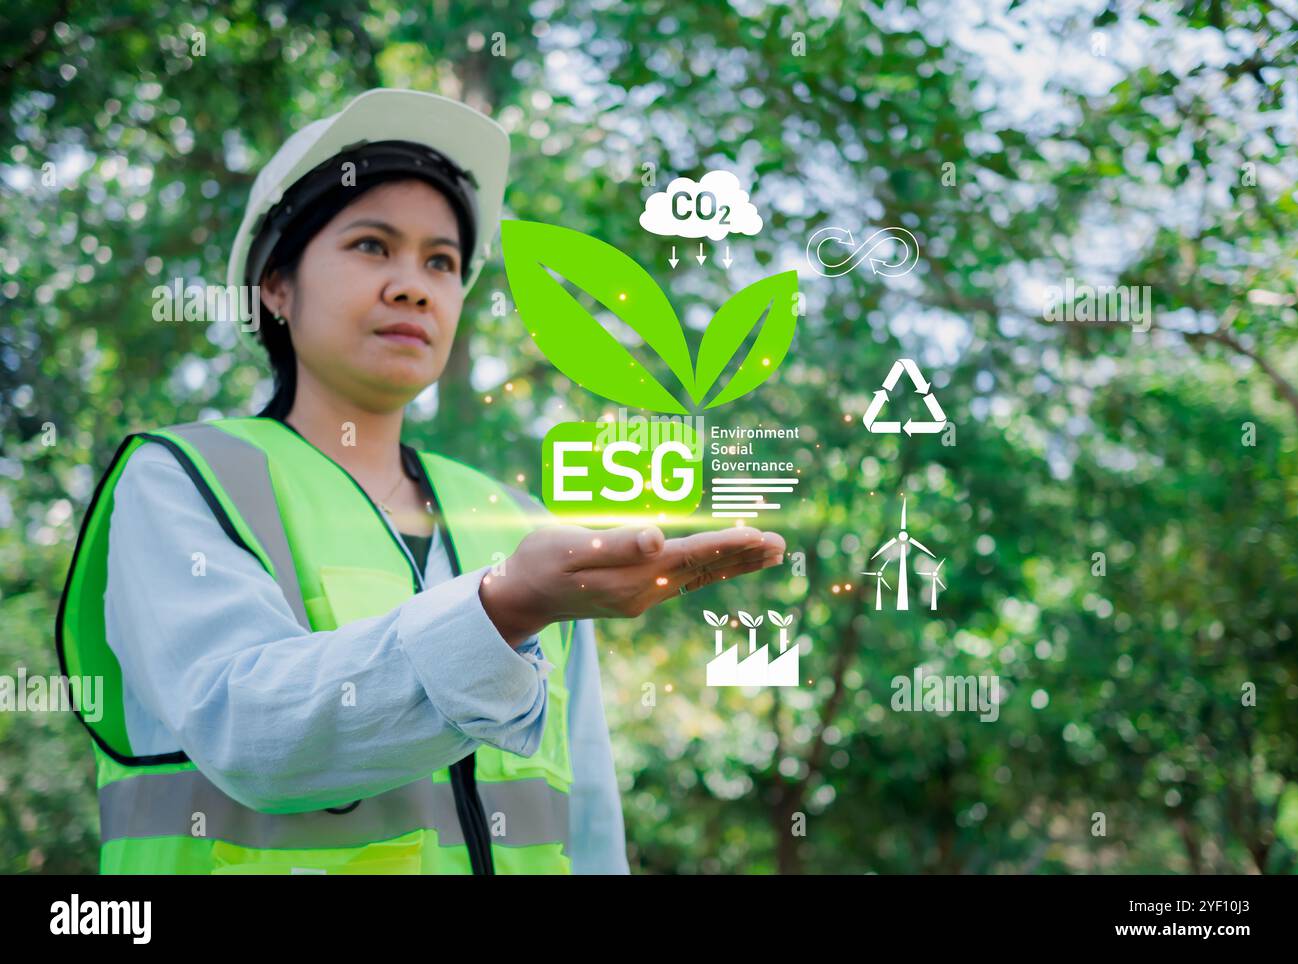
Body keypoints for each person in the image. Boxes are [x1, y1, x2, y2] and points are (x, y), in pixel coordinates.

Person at [56, 88, 785, 875]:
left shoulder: (516, 519)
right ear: (276, 284)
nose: (415, 285)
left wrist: (524, 595)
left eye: (440, 261)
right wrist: (504, 608)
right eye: (372, 246)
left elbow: (589, 816)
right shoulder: (182, 478)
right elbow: (245, 733)